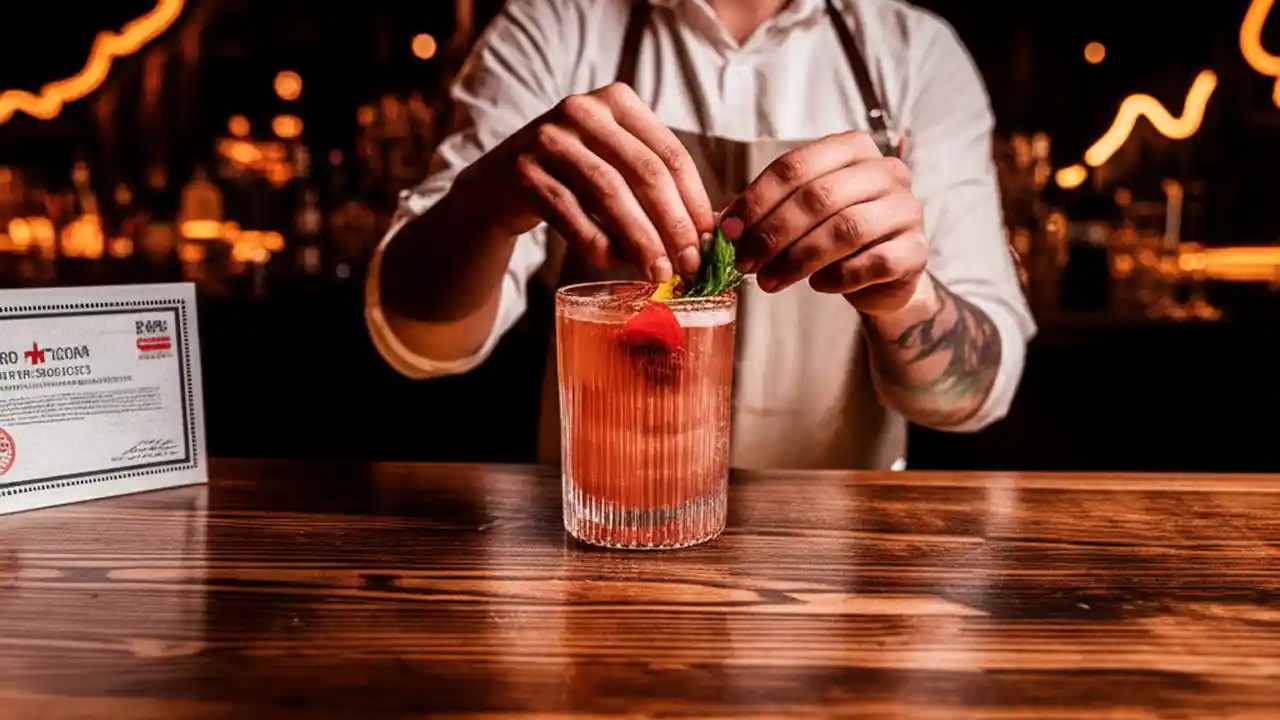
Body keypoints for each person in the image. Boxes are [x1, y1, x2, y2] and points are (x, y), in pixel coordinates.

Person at [365, 0, 1036, 469]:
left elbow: (976, 396)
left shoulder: (915, 53)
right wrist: (485, 204)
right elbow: (417, 344)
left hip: (836, 562)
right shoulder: (554, 25)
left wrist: (906, 299)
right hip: (607, 530)